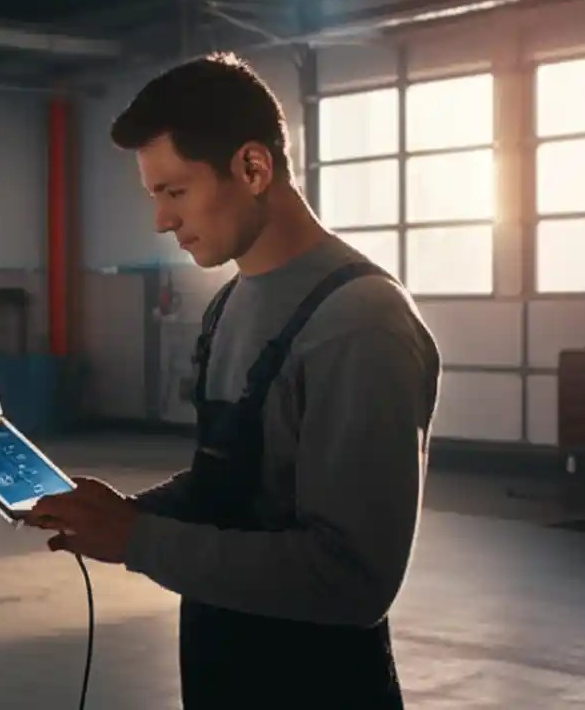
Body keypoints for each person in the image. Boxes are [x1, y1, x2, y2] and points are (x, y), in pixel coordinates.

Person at [24, 52, 442, 708]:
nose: (161, 220)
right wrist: (127, 513)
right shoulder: (230, 305)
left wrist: (139, 541)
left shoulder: (362, 324)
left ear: (253, 167)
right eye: (154, 195)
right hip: (222, 675)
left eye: (175, 191)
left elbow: (352, 580)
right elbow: (234, 482)